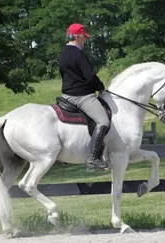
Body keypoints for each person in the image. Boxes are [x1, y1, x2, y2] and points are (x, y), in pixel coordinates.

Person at [58, 23, 110, 171]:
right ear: (78, 36)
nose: (85, 40)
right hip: (81, 96)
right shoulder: (78, 54)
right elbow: (90, 77)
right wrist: (100, 88)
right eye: (84, 37)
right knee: (103, 121)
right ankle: (93, 158)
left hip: (66, 95)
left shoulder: (63, 53)